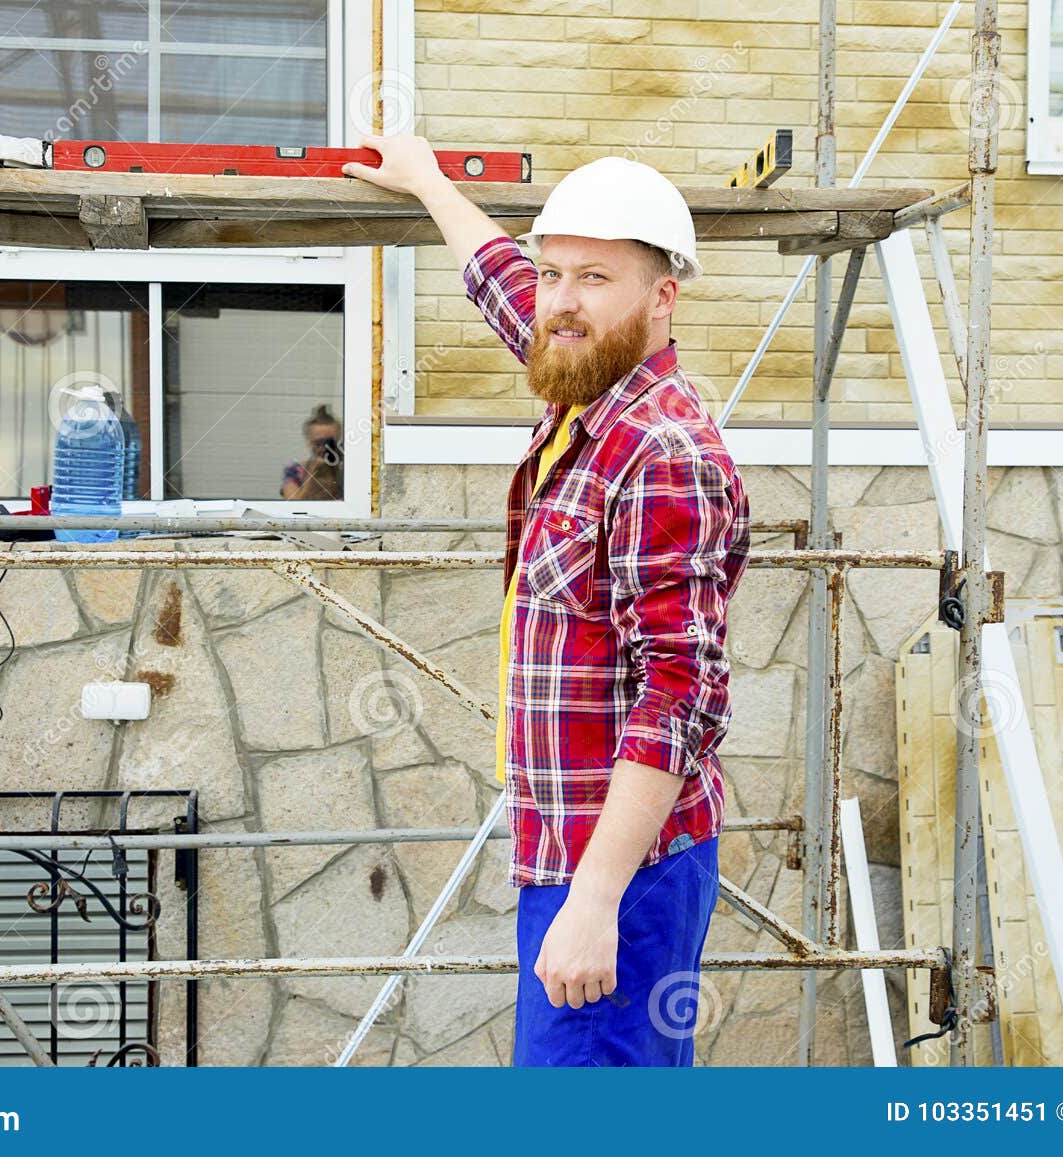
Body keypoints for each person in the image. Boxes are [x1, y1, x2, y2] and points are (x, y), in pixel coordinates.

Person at [346, 135, 750, 1067]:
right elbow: (506, 288)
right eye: (552, 272)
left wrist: (597, 899)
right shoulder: (585, 386)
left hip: (622, 872)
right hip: (571, 849)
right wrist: (428, 183)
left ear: (662, 298)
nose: (561, 300)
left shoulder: (661, 455)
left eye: (594, 278)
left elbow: (680, 696)